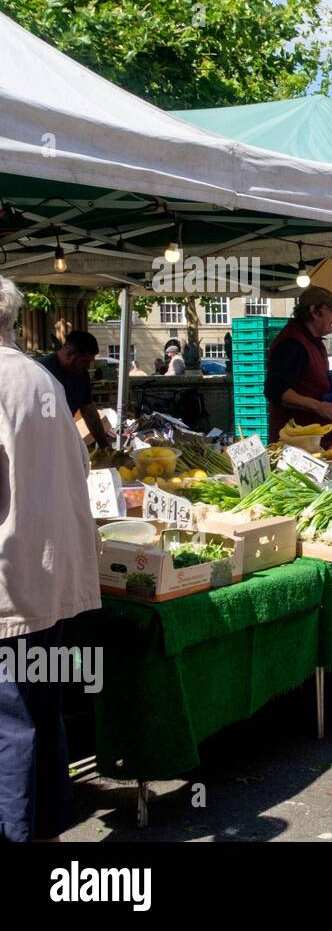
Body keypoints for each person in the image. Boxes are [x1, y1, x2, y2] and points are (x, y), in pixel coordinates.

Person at [0, 276, 101, 840]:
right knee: (41, 708)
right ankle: (50, 826)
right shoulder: (41, 377)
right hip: (46, 576)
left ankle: (17, 834)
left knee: (12, 721)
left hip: (11, 582)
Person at [264, 286, 332, 447]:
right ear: (314, 311)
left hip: (314, 441)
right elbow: (275, 389)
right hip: (295, 445)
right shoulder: (292, 344)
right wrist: (318, 406)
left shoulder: (313, 341)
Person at [37, 330, 113, 449]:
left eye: (90, 362)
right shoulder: (40, 371)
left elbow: (89, 412)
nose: (87, 367)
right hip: (38, 441)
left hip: (62, 439)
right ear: (69, 354)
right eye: (84, 361)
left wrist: (105, 446)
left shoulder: (81, 375)